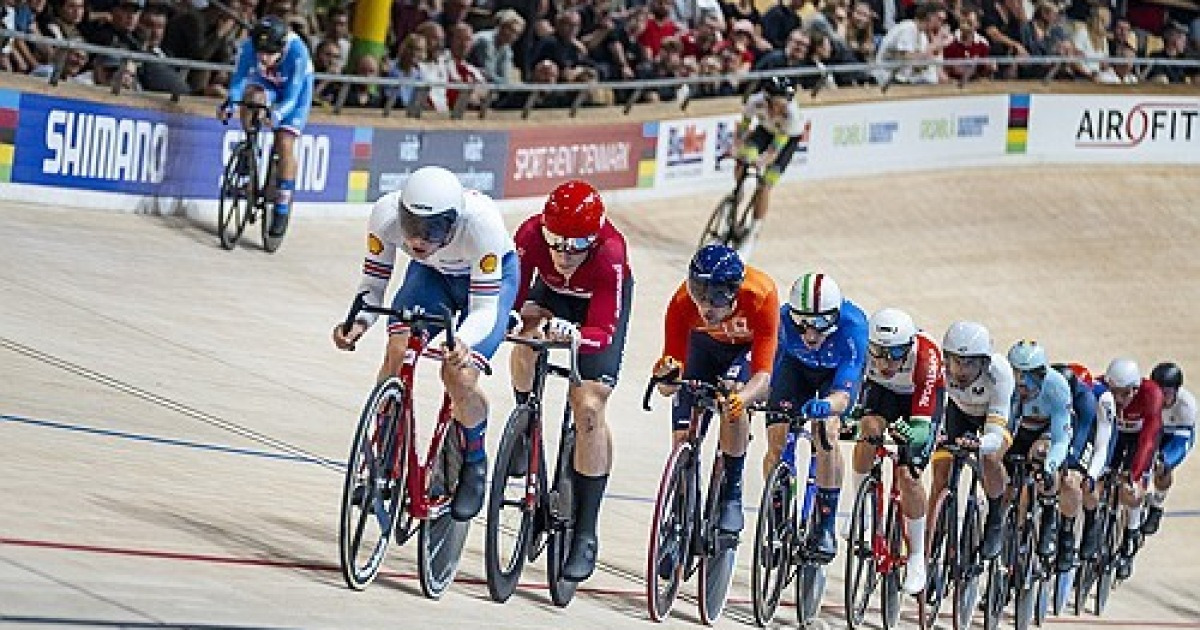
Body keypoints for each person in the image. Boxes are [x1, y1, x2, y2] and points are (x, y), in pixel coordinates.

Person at [331, 166, 519, 523]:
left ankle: (475, 461)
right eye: (411, 225)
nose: (417, 240)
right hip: (432, 275)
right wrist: (358, 322)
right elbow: (372, 284)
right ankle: (384, 449)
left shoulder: (481, 226)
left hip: (489, 284)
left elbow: (483, 309)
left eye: (431, 229)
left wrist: (462, 342)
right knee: (398, 349)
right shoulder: (385, 216)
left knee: (459, 375)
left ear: (452, 222)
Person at [509, 180, 634, 582]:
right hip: (554, 298)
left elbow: (604, 330)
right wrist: (516, 320)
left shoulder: (611, 252)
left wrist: (574, 336)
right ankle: (525, 424)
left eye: (575, 246)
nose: (563, 255)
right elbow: (510, 298)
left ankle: (585, 532)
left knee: (589, 406)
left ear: (593, 240)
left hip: (595, 310)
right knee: (524, 337)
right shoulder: (531, 234)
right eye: (555, 242)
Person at [651, 244, 780, 575]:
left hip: (744, 355)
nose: (706, 307)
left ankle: (732, 492)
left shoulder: (761, 294)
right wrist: (666, 375)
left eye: (717, 299)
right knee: (682, 438)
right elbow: (670, 380)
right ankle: (679, 513)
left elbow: (764, 377)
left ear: (735, 292)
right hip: (703, 351)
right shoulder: (682, 303)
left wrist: (742, 400)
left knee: (734, 401)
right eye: (700, 294)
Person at [765, 272, 867, 562]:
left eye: (820, 325)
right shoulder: (784, 320)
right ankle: (775, 517)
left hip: (833, 380)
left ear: (834, 317)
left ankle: (825, 524)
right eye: (803, 323)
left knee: (826, 432)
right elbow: (769, 364)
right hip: (795, 372)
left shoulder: (854, 327)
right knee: (776, 440)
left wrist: (829, 405)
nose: (810, 334)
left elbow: (845, 393)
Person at [849, 307, 943, 594]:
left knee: (908, 474)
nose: (885, 361)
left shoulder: (925, 357)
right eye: (879, 351)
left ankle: (916, 557)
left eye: (895, 352)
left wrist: (912, 435)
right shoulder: (863, 348)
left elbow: (922, 429)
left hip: (920, 401)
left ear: (910, 345)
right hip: (883, 393)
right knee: (869, 432)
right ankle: (863, 512)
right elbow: (851, 391)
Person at [219, 16, 314, 239]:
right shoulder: (249, 46)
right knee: (251, 97)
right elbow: (239, 80)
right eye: (260, 52)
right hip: (267, 85)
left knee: (284, 141)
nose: (263, 58)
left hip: (295, 93)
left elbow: (291, 96)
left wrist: (277, 114)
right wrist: (231, 102)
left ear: (281, 47)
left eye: (269, 54)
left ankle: (282, 204)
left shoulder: (298, 53)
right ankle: (249, 148)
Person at [928, 321, 1013, 560]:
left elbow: (995, 435)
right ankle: (932, 536)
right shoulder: (939, 368)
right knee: (940, 475)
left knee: (990, 458)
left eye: (970, 363)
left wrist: (982, 444)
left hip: (993, 416)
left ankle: (995, 518)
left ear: (985, 362)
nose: (961, 370)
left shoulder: (1000, 373)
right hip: (959, 412)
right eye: (956, 361)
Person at [1094, 358, 1163, 580]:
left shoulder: (1151, 394)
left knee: (1132, 490)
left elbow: (1148, 441)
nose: (1116, 399)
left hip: (1140, 439)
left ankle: (1131, 535)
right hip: (1115, 434)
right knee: (1100, 477)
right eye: (1112, 391)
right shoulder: (1101, 389)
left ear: (1135, 389)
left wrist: (1135, 477)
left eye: (1123, 393)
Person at [1003, 340, 1072, 559]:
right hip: (1019, 429)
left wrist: (1050, 467)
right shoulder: (1007, 385)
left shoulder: (1057, 385)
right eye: (1017, 374)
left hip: (1047, 432)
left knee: (1042, 455)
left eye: (1030, 376)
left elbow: (1061, 439)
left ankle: (1049, 515)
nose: (1023, 383)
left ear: (1042, 374)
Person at [728, 75, 807, 260]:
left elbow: (774, 151)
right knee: (744, 157)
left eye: (784, 104)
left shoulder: (791, 114)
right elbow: (744, 126)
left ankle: (754, 230)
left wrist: (763, 161)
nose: (781, 108)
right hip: (764, 131)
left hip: (787, 140)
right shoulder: (755, 101)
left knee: (765, 183)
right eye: (777, 104)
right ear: (767, 99)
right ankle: (737, 193)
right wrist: (738, 146)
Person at [1051, 361, 1114, 572]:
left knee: (1083, 480)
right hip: (1063, 428)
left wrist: (1086, 471)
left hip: (1091, 433)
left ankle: (1090, 520)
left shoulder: (1095, 399)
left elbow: (1090, 442)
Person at [1142, 362, 1195, 535]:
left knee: (1163, 469)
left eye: (1167, 393)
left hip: (1174, 438)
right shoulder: (1144, 396)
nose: (1162, 398)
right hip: (1152, 430)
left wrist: (1166, 460)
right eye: (1159, 392)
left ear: (1177, 391)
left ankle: (1156, 506)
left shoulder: (1186, 406)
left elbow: (1181, 444)